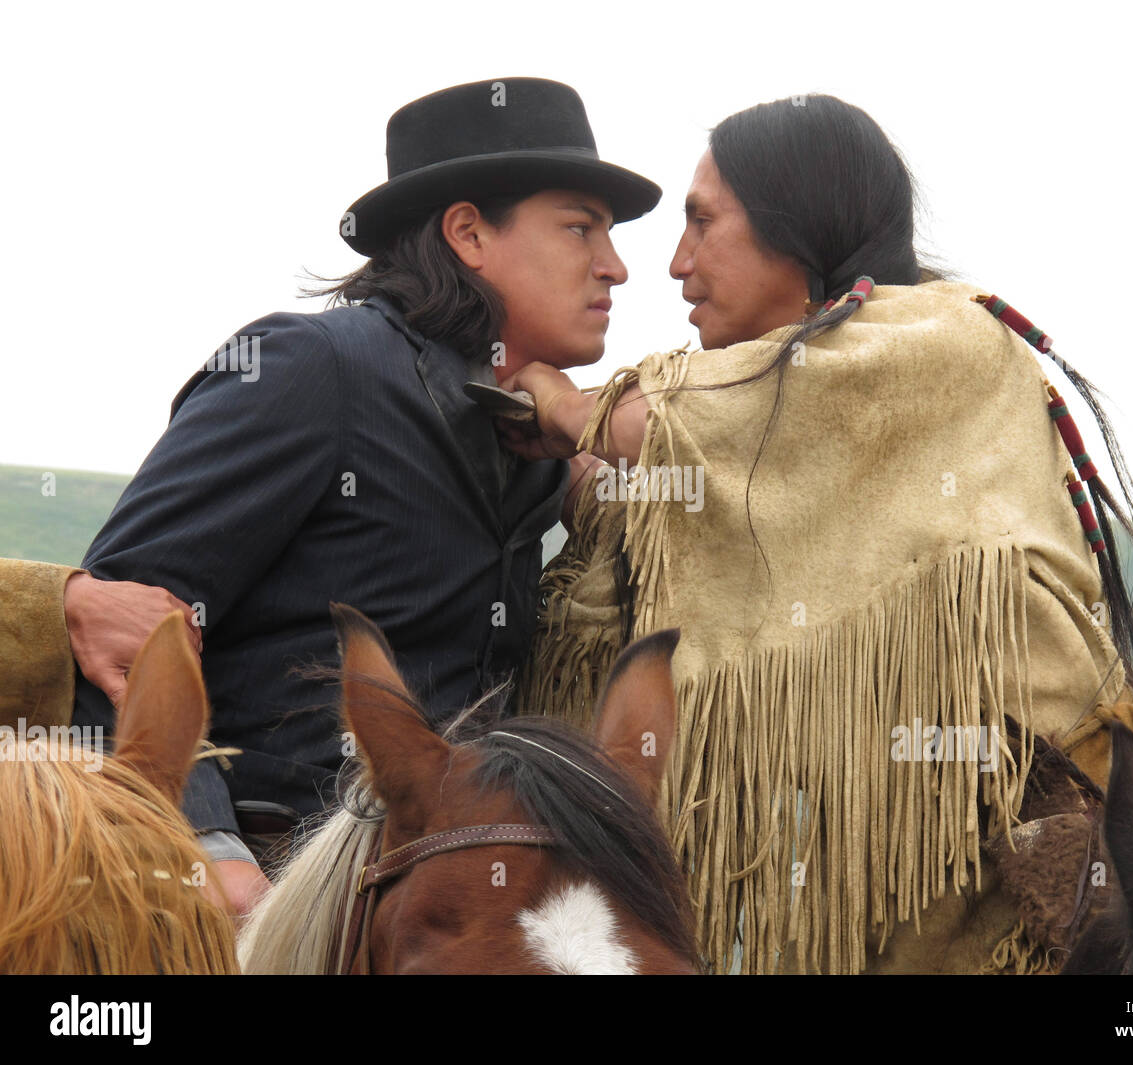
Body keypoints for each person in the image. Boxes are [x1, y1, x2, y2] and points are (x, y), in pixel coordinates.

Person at [498, 93, 1133, 973]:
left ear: (798, 224)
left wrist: (568, 405)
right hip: (899, 901)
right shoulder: (781, 442)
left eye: (702, 222)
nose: (676, 264)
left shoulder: (944, 337)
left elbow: (704, 423)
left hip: (1035, 896)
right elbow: (675, 499)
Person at [0, 77, 660, 917]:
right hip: (252, 887)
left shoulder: (533, 435)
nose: (616, 264)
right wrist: (210, 850)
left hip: (424, 900)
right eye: (580, 227)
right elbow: (126, 638)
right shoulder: (312, 368)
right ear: (468, 233)